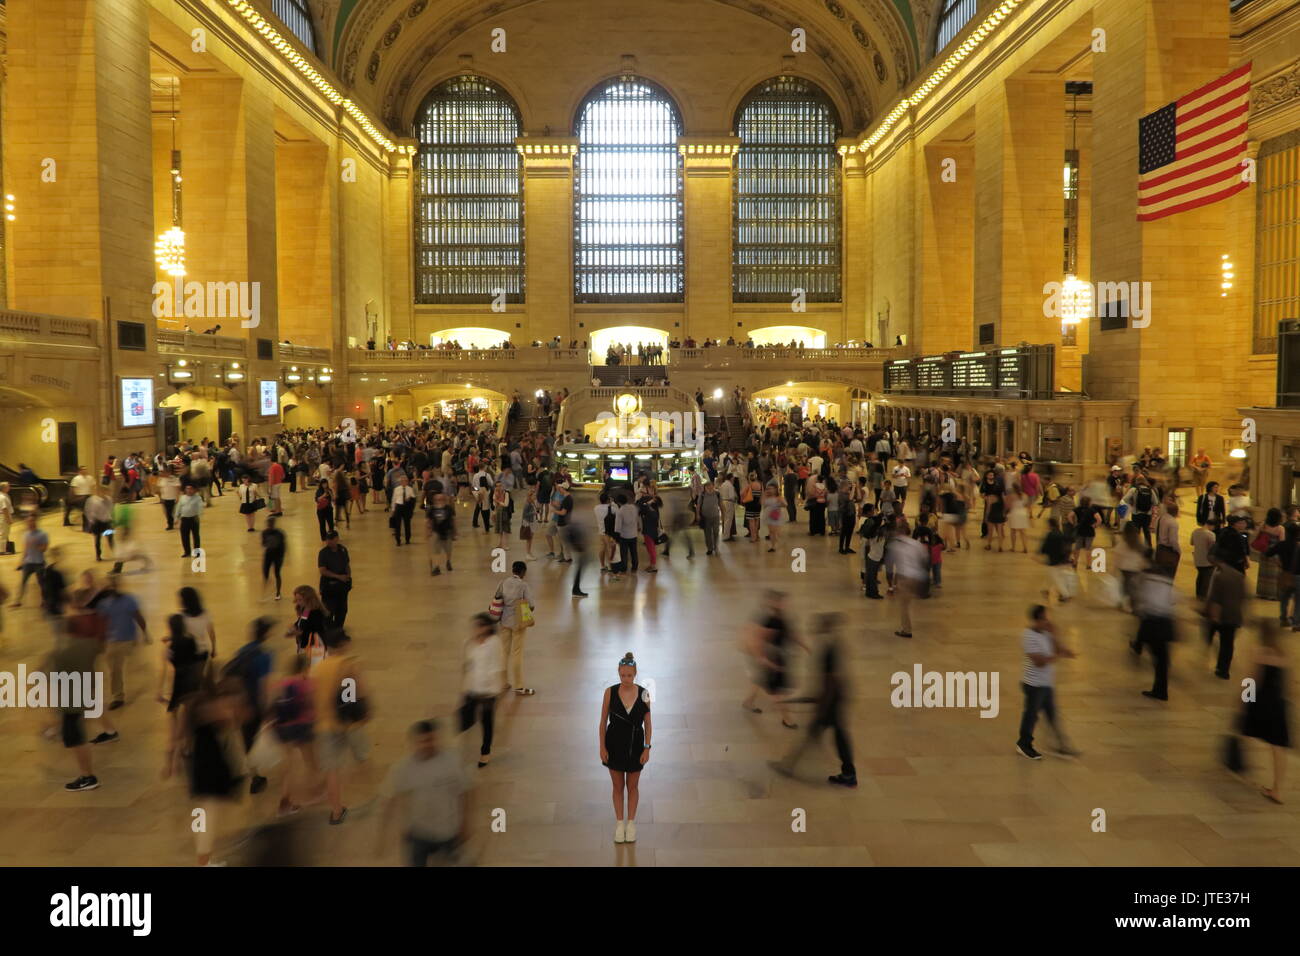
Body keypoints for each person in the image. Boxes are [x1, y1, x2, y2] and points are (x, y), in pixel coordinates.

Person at [770, 613, 857, 786]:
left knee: (815, 733)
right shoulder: (834, 643)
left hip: (831, 701)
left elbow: (830, 679)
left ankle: (788, 765)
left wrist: (823, 705)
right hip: (836, 698)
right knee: (838, 735)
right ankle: (848, 773)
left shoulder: (828, 648)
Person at [377, 720, 471, 866]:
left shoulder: (452, 762)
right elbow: (388, 798)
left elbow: (464, 792)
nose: (427, 745)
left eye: (430, 740)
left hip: (448, 832)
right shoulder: (402, 768)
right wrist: (384, 835)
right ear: (413, 743)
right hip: (418, 833)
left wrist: (465, 824)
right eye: (422, 741)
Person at [177, 674, 247, 865]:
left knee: (202, 811)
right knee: (209, 811)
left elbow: (181, 738)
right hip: (212, 762)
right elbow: (231, 724)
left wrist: (174, 762)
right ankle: (204, 859)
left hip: (196, 763)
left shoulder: (189, 707)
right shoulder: (211, 706)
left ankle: (203, 855)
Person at [313, 629, 370, 826]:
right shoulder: (348, 665)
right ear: (344, 644)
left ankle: (336, 812)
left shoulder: (317, 667)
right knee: (362, 755)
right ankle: (373, 793)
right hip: (345, 724)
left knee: (331, 769)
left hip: (322, 724)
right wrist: (364, 715)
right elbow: (354, 695)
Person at [599, 651, 652, 844]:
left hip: (635, 746)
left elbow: (648, 723)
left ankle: (631, 823)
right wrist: (602, 747)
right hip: (614, 744)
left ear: (635, 674)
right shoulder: (609, 692)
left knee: (633, 786)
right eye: (623, 675)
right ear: (618, 673)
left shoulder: (644, 693)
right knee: (617, 786)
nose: (626, 679)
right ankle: (619, 823)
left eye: (629, 675)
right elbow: (603, 721)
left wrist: (647, 748)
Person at [1015, 605, 1080, 760]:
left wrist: (1055, 634)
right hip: (1033, 685)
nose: (1047, 621)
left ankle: (1062, 744)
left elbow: (1060, 649)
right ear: (1036, 620)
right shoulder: (1028, 636)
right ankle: (1024, 744)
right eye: (1044, 618)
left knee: (1052, 715)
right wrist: (1058, 655)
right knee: (1031, 715)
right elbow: (1039, 662)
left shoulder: (1046, 633)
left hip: (1046, 684)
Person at [222, 616, 276, 795]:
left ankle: (254, 775)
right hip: (254, 703)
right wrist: (267, 707)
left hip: (239, 703)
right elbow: (265, 685)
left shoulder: (242, 650)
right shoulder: (266, 656)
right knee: (260, 739)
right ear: (267, 633)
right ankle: (256, 774)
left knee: (247, 739)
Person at [1238, 620, 1290, 804]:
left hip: (1261, 703)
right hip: (1278, 705)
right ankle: (1277, 789)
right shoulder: (1283, 655)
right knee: (1278, 748)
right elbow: (1287, 685)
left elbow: (1251, 679)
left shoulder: (1258, 652)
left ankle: (1243, 769)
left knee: (1245, 733)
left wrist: (1245, 701)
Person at [742, 591, 806, 727]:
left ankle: (748, 702)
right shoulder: (771, 621)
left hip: (777, 658)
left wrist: (804, 646)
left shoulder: (782, 617)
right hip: (772, 659)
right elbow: (758, 639)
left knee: (761, 681)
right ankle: (787, 719)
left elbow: (792, 633)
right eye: (782, 602)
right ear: (775, 603)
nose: (786, 604)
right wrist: (761, 658)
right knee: (777, 692)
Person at [90, 574, 151, 710]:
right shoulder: (103, 604)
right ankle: (118, 696)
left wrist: (145, 633)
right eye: (111, 586)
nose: (113, 588)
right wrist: (99, 640)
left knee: (126, 666)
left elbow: (138, 616)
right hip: (112, 641)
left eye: (115, 585)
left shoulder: (130, 600)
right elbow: (100, 623)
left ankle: (122, 689)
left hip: (128, 638)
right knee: (114, 670)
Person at [461, 613, 506, 768]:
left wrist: (495, 690)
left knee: (487, 722)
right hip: (472, 688)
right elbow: (468, 665)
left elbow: (497, 667)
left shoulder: (495, 643)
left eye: (479, 625)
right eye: (475, 626)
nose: (475, 629)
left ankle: (485, 752)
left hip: (488, 691)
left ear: (487, 627)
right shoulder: (469, 643)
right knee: (466, 718)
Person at [1132, 550, 1178, 701]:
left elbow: (1139, 597)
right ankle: (1161, 689)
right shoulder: (1166, 581)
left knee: (1158, 657)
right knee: (1163, 659)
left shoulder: (1145, 579)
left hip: (1152, 621)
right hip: (1166, 621)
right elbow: (1174, 599)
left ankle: (1159, 690)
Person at [1203, 557, 1245, 680]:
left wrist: (1211, 613)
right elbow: (1243, 597)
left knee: (1211, 633)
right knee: (1228, 643)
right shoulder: (1240, 577)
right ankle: (1224, 669)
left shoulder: (1219, 576)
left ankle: (1207, 650)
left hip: (1221, 614)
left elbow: (1214, 597)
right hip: (1234, 614)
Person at [497, 561, 535, 695]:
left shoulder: (503, 582)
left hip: (504, 621)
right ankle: (518, 686)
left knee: (503, 652)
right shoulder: (523, 585)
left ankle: (503, 683)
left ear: (513, 570)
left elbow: (497, 598)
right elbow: (531, 605)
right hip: (518, 623)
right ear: (523, 572)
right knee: (517, 653)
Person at [9, 515, 48, 608]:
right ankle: (17, 601)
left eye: (31, 522)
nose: (29, 524)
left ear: (35, 522)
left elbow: (44, 548)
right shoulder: (25, 535)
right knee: (22, 582)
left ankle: (44, 600)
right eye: (27, 522)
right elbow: (25, 550)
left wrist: (36, 545)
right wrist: (20, 562)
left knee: (42, 583)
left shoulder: (43, 534)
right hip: (28, 563)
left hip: (39, 563)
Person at [317, 531, 352, 628]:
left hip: (341, 586)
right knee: (328, 610)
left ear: (337, 539)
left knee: (342, 610)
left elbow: (346, 565)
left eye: (331, 539)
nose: (329, 541)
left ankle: (339, 630)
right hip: (329, 587)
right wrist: (339, 577)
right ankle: (329, 632)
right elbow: (323, 571)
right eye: (327, 539)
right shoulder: (323, 553)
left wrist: (348, 577)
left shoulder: (343, 550)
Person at [427, 491, 457, 575]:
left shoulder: (449, 509)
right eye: (437, 499)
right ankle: (437, 567)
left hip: (447, 532)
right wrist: (428, 532)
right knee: (436, 551)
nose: (439, 501)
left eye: (441, 499)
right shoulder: (432, 509)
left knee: (448, 549)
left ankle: (448, 561)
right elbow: (428, 521)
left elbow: (453, 520)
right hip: (436, 532)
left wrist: (455, 532)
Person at [261, 515, 287, 600]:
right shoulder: (264, 533)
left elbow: (283, 546)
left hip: (277, 555)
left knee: (277, 573)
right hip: (268, 554)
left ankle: (278, 593)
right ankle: (266, 591)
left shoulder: (279, 533)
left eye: (271, 523)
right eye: (268, 523)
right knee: (265, 573)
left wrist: (282, 556)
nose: (269, 525)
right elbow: (263, 543)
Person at [176, 483, 204, 558]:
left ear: (194, 490)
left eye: (191, 488)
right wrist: (176, 518)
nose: (189, 490)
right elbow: (178, 507)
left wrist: (199, 515)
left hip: (193, 519)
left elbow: (200, 507)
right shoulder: (182, 498)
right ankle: (187, 551)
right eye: (187, 488)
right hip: (184, 519)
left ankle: (197, 552)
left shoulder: (198, 498)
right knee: (184, 536)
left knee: (196, 536)